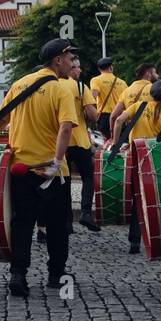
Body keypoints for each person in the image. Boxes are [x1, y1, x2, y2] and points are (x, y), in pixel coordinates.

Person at [0, 38, 80, 297]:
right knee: (57, 226)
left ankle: (18, 275)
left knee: (22, 223)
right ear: (58, 60)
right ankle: (56, 275)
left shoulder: (19, 84)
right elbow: (66, 127)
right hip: (51, 172)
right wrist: (56, 162)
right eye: (69, 57)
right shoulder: (62, 89)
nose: (71, 62)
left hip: (20, 169)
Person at [110, 78, 161, 254]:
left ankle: (134, 242)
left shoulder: (138, 106)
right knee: (157, 200)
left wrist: (116, 144)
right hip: (156, 163)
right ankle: (159, 238)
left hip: (135, 159)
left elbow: (118, 120)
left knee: (137, 200)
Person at [60, 54, 101, 233]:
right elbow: (93, 115)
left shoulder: (56, 85)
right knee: (88, 176)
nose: (80, 70)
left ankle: (67, 221)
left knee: (65, 182)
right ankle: (85, 212)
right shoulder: (80, 86)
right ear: (71, 69)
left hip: (61, 142)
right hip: (80, 141)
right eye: (77, 67)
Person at [107, 63, 157, 130]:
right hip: (153, 132)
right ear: (148, 73)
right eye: (155, 72)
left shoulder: (126, 91)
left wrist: (112, 133)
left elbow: (113, 116)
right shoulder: (155, 89)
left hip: (133, 134)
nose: (157, 75)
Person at [91, 57, 127, 135]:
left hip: (105, 117)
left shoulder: (96, 80)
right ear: (111, 67)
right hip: (120, 116)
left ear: (99, 69)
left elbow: (93, 97)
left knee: (106, 143)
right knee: (120, 143)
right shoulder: (122, 83)